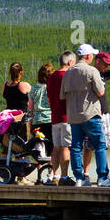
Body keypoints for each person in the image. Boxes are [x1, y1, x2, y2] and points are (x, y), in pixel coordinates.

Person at [60, 46, 108, 186]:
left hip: (73, 116)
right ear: (87, 56)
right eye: (92, 55)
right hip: (91, 114)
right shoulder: (92, 70)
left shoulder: (67, 73)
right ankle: (102, 178)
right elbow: (100, 92)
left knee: (75, 147)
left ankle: (79, 179)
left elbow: (62, 96)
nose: (92, 57)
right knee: (100, 145)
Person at [83, 50, 110, 177]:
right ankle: (86, 172)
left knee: (104, 145)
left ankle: (103, 172)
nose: (106, 66)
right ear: (97, 61)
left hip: (103, 113)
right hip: (91, 113)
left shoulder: (103, 74)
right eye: (104, 63)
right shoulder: (90, 73)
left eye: (107, 64)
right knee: (89, 146)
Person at [45, 51, 75, 184]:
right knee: (65, 147)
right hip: (66, 116)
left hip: (54, 117)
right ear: (70, 62)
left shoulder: (51, 77)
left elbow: (49, 96)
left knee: (56, 147)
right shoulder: (68, 76)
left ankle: (53, 176)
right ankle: (64, 176)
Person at [1, 62, 31, 150]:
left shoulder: (5, 86)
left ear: (10, 72)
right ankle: (22, 161)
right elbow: (33, 99)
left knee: (7, 146)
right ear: (21, 72)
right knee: (22, 145)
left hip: (8, 119)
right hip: (21, 119)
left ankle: (5, 162)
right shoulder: (25, 86)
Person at [29, 62, 53, 166]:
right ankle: (51, 173)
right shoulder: (51, 88)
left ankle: (39, 171)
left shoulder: (33, 88)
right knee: (51, 148)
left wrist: (30, 123)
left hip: (37, 121)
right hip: (50, 120)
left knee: (39, 146)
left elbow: (30, 108)